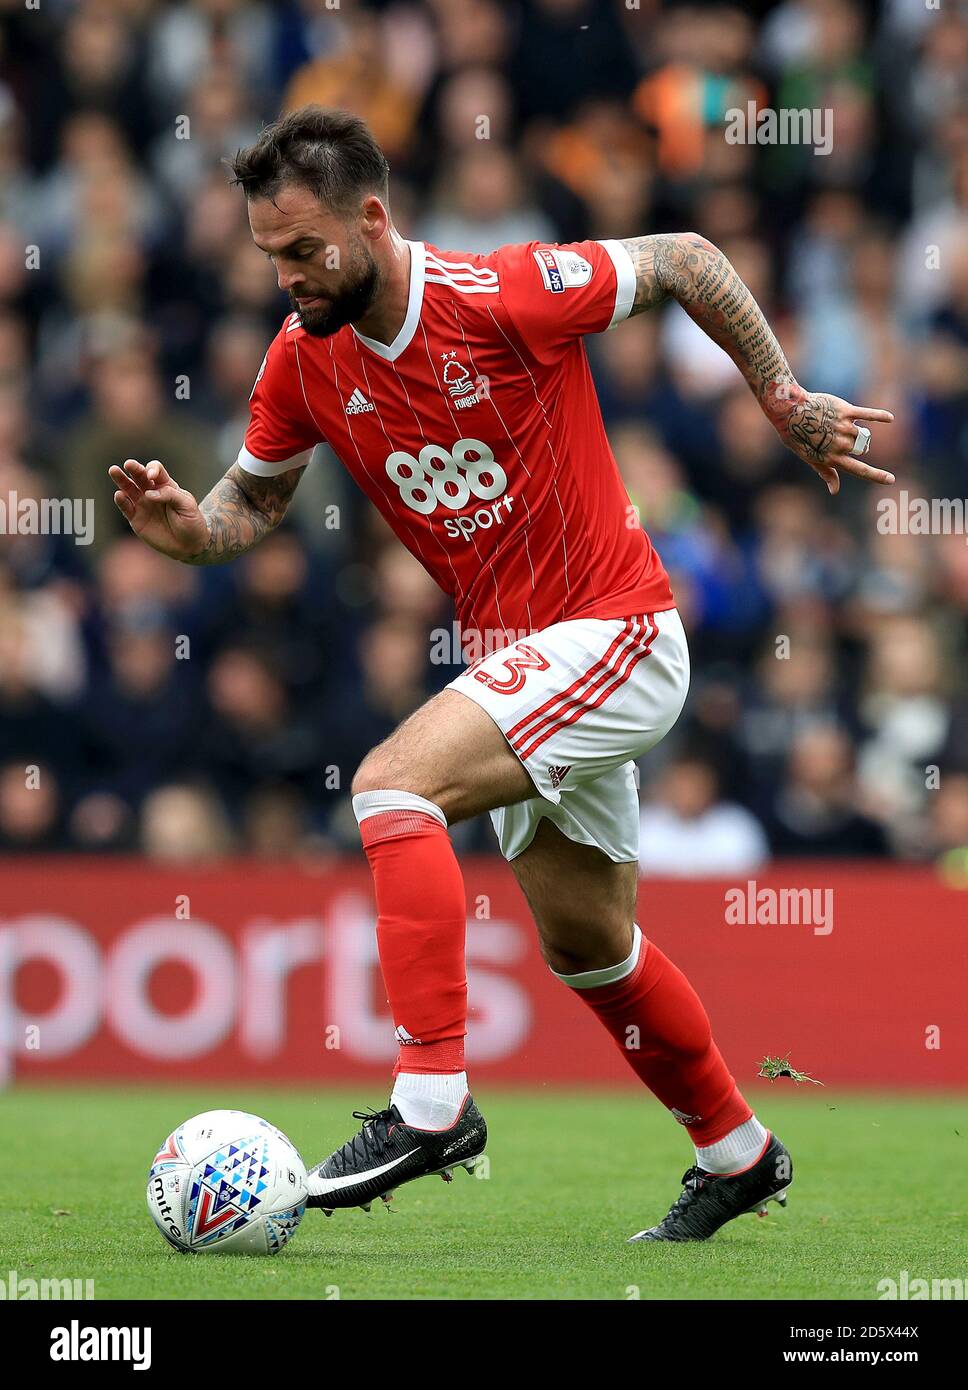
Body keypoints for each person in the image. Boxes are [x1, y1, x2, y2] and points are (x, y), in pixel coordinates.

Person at [109, 106, 895, 1242]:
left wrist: (777, 394)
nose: (283, 276)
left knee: (389, 786)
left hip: (615, 627)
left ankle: (430, 1102)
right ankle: (737, 1151)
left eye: (300, 249)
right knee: (589, 945)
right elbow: (254, 501)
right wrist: (189, 531)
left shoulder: (502, 292)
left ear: (371, 218)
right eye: (266, 255)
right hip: (520, 664)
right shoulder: (303, 361)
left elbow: (684, 257)